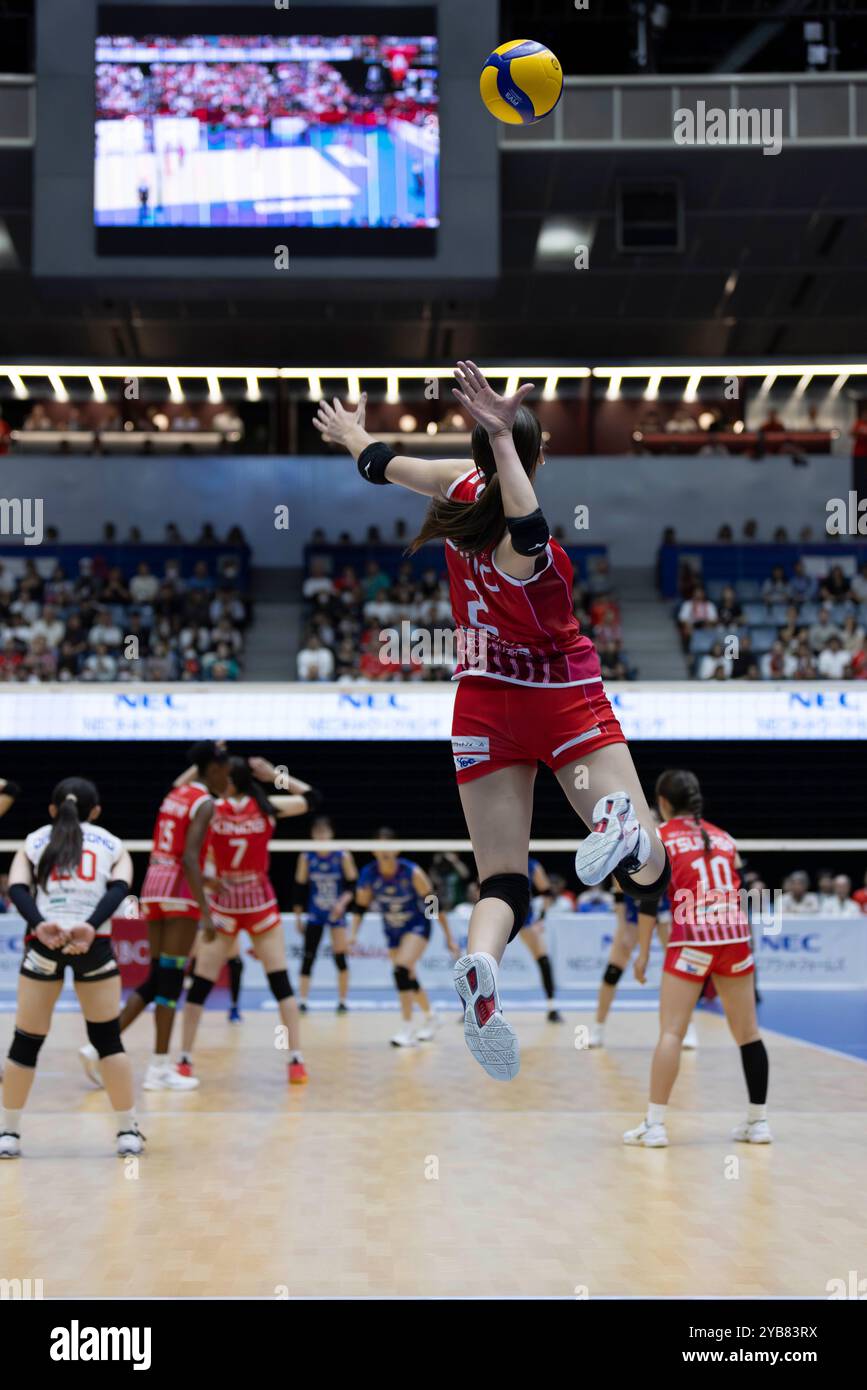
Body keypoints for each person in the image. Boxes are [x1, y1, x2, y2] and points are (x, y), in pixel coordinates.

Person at [315, 365, 670, 1081]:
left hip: (481, 702)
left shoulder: (458, 487)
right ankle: (621, 824)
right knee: (650, 870)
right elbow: (530, 524)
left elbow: (380, 465)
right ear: (534, 461)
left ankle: (481, 962)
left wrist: (353, 430)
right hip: (559, 697)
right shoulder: (523, 551)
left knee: (502, 879)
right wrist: (506, 435)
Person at [624, 769, 770, 1148]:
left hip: (693, 938)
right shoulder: (724, 838)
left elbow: (649, 901)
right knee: (748, 1033)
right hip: (735, 936)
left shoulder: (661, 839)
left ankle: (655, 1125)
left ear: (664, 803)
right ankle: (758, 1122)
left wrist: (642, 954)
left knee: (672, 1031)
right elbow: (741, 885)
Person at [0, 779, 141, 1159]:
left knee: (26, 1041)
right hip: (90, 944)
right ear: (95, 812)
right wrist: (91, 924)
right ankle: (127, 1131)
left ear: (52, 808)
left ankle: (8, 1134)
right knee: (108, 1040)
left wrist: (41, 924)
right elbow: (120, 889)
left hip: (44, 943)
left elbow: (16, 889)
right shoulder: (112, 842)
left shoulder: (33, 840)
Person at [85, 741, 230, 1092]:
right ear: (212, 769)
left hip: (153, 886)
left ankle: (98, 1047)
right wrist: (207, 913)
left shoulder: (176, 794)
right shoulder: (204, 802)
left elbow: (177, 850)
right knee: (170, 982)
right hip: (180, 894)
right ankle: (159, 1067)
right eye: (224, 768)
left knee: (157, 979)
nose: (228, 776)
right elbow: (190, 858)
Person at [177, 757, 320, 1085]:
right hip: (260, 904)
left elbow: (178, 792)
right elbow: (313, 798)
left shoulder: (209, 808)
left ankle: (184, 1058)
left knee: (200, 985)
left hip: (225, 904)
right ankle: (295, 1059)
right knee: (280, 984)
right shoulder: (266, 807)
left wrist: (203, 757)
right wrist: (274, 776)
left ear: (227, 782)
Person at [350, 829, 459, 1048]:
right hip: (392, 930)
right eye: (380, 847)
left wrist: (449, 937)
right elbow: (360, 907)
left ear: (397, 849)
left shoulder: (412, 872)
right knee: (407, 976)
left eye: (389, 846)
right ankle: (432, 1016)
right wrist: (352, 934)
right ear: (373, 850)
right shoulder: (368, 874)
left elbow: (433, 904)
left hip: (417, 925)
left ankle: (407, 1028)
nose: (385, 851)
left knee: (400, 968)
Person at [294, 816, 356, 1013]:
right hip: (315, 912)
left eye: (325, 832)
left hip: (336, 913)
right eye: (317, 832)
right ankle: (303, 1000)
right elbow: (299, 889)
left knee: (340, 958)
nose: (321, 836)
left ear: (331, 834)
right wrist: (297, 917)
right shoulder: (307, 857)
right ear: (312, 835)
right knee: (308, 956)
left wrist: (341, 903)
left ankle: (343, 1001)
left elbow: (354, 886)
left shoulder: (342, 855)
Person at [522, 857, 563, 1021]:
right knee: (482, 959)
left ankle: (552, 1006)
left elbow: (547, 891)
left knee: (543, 959)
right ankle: (469, 1008)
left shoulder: (531, 864)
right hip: (503, 914)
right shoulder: (494, 857)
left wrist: (541, 918)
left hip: (524, 917)